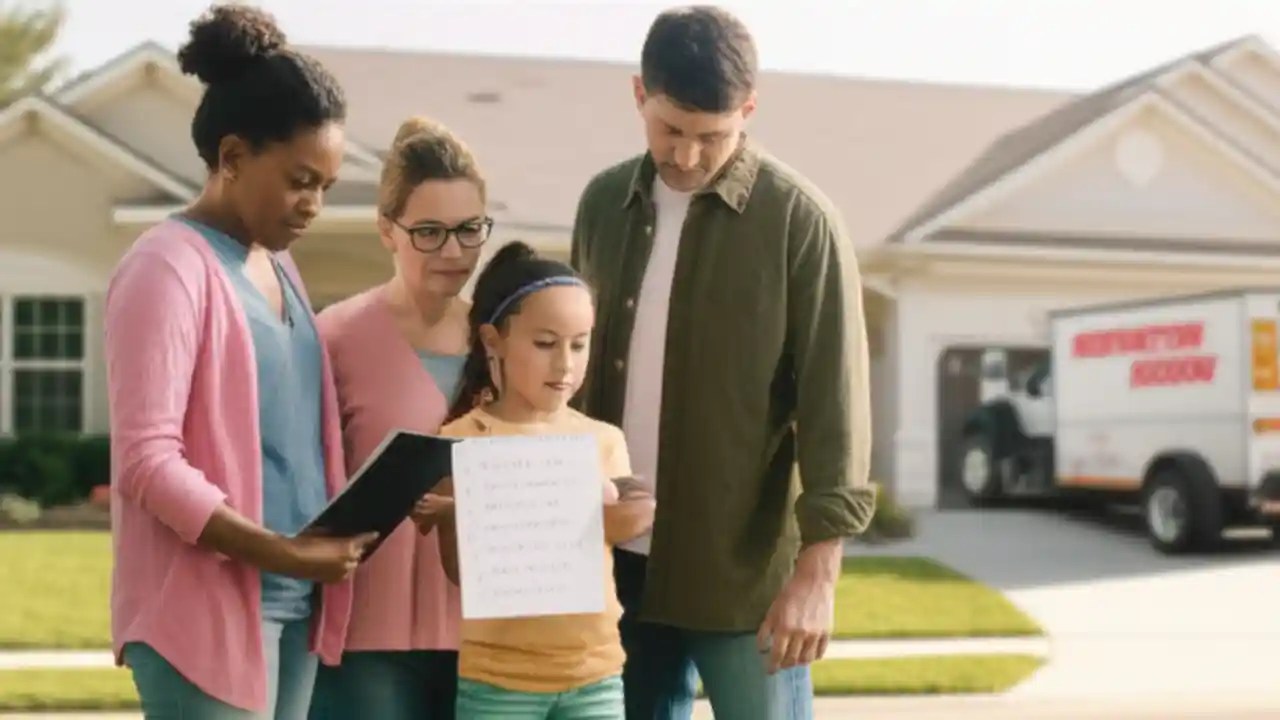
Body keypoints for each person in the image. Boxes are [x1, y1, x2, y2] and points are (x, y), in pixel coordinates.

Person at [569, 5, 878, 719]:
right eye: (669, 129)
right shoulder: (600, 206)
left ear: (750, 108)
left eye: (712, 136)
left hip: (743, 579)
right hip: (612, 572)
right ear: (638, 95)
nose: (685, 155)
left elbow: (835, 404)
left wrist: (819, 574)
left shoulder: (800, 223)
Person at [104, 5, 375, 718]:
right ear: (231, 158)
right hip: (203, 609)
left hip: (294, 602)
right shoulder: (165, 267)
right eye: (299, 179)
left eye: (325, 184)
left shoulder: (279, 268)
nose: (313, 203)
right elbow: (146, 461)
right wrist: (279, 552)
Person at [412, 242, 656, 719]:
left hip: (596, 676)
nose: (565, 364)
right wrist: (459, 513)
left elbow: (624, 525)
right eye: (545, 344)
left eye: (579, 344)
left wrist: (632, 512)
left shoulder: (602, 441)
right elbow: (461, 571)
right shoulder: (460, 442)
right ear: (492, 341)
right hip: (498, 683)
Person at [307, 116, 489, 720]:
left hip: (488, 637)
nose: (454, 252)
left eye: (469, 231)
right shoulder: (334, 337)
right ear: (387, 229)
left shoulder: (506, 341)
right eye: (430, 232)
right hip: (365, 642)